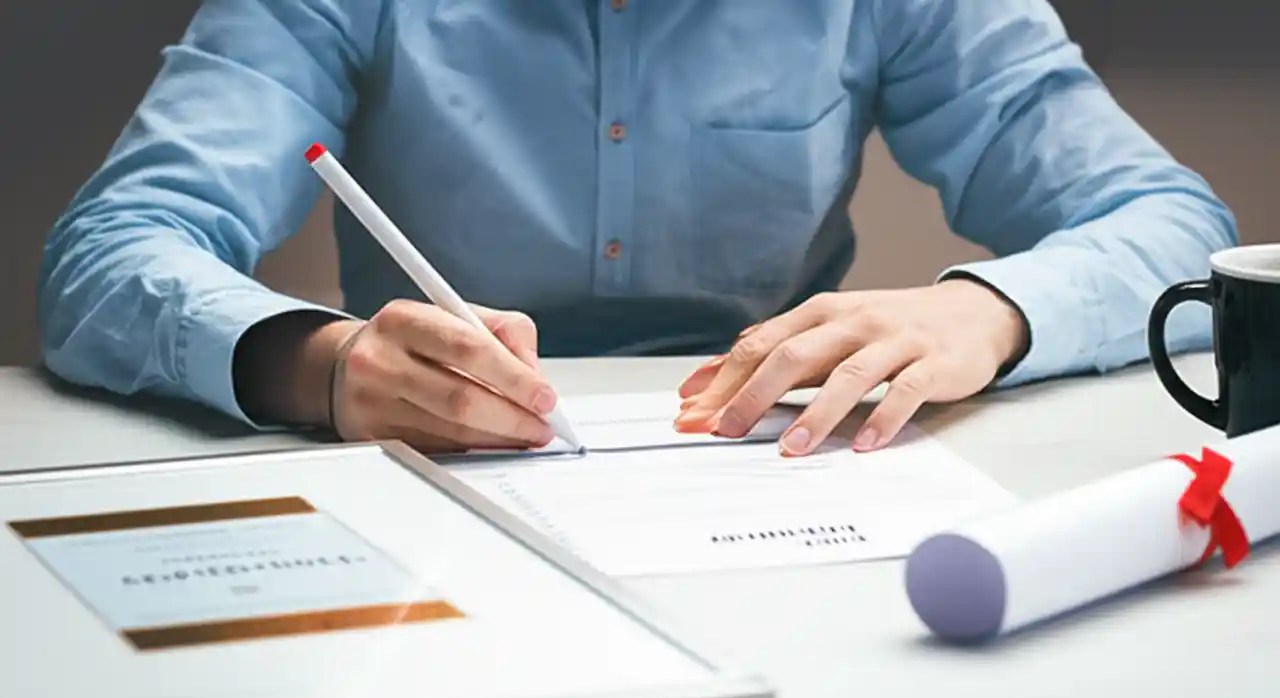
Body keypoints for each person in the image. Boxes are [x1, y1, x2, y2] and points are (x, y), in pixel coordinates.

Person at [39, 0, 1235, 457]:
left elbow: (1177, 224)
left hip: (779, 472)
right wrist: (323, 365)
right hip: (420, 476)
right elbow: (113, 248)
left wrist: (987, 309)